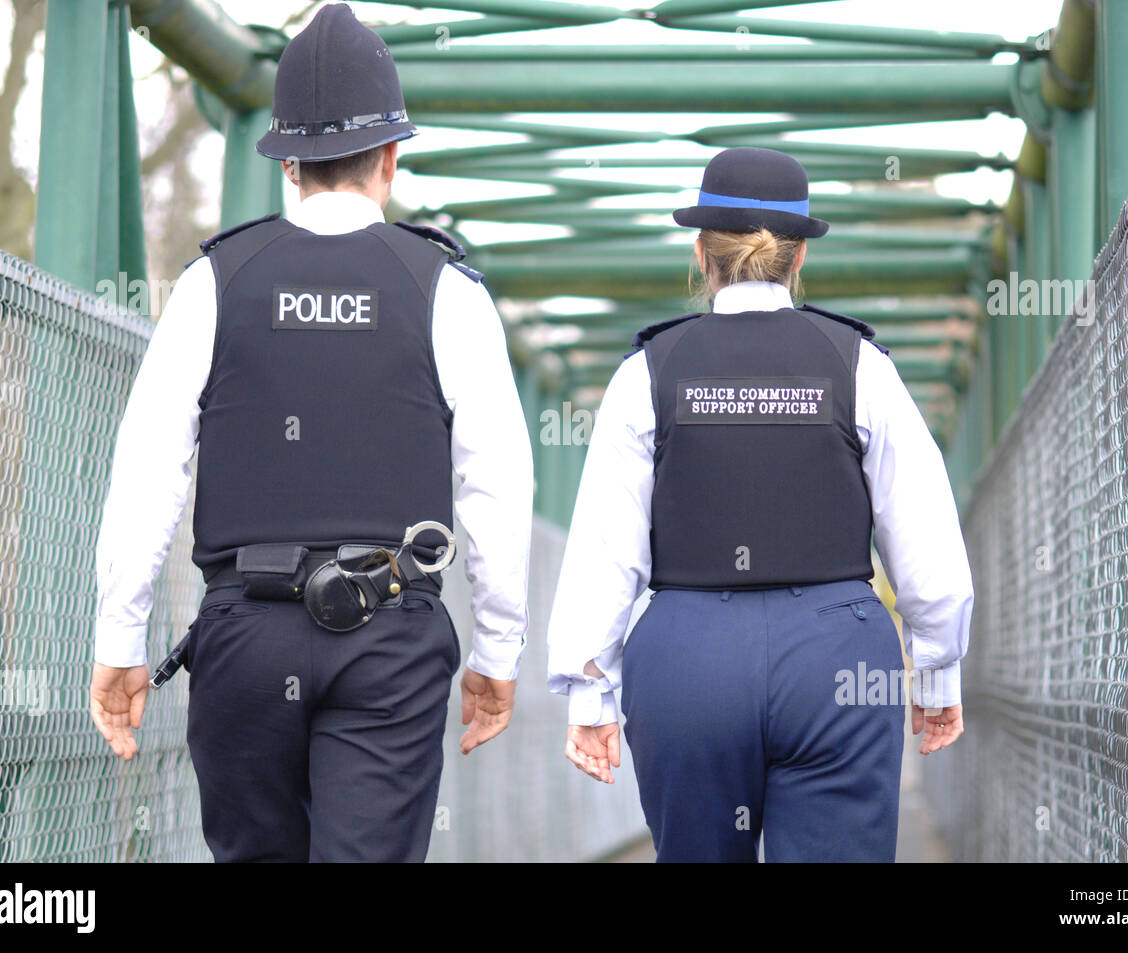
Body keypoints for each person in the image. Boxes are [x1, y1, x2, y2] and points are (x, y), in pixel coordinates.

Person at [88, 3, 532, 862]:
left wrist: (120, 635)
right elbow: (497, 483)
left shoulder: (215, 282)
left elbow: (146, 469)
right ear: (392, 155)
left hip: (244, 639)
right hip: (391, 634)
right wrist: (498, 648)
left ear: (287, 161)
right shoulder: (447, 290)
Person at [546, 147, 974, 862]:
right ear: (798, 256)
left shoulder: (644, 373)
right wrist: (936, 668)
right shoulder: (859, 364)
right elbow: (923, 530)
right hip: (838, 660)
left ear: (700, 252)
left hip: (686, 661)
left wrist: (590, 691)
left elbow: (606, 548)